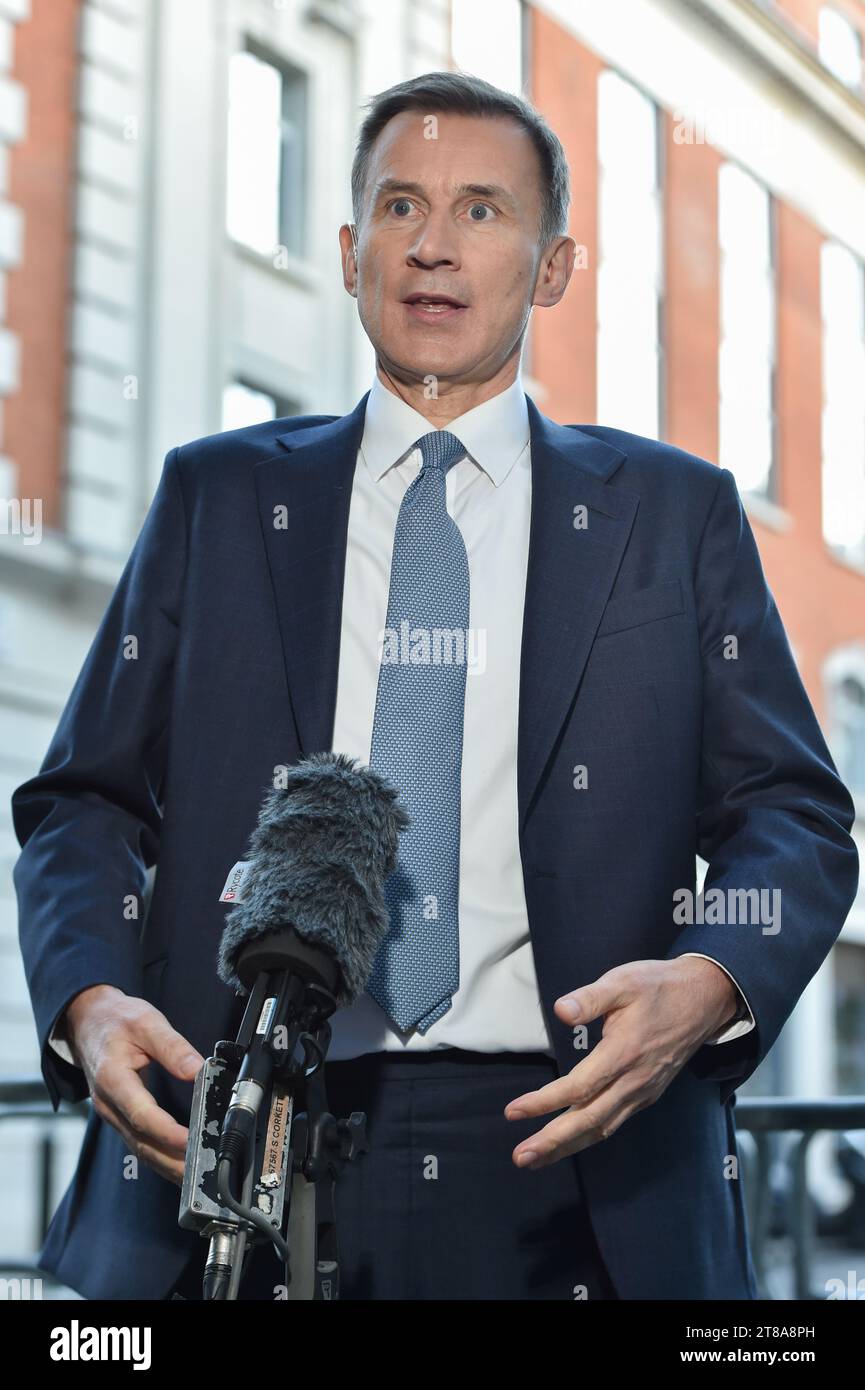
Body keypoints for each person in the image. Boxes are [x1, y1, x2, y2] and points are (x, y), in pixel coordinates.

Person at [12, 71, 858, 1301]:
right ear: (353, 253)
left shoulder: (674, 517)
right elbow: (81, 800)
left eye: (481, 210)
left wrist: (710, 983)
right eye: (401, 206)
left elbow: (795, 819)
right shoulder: (218, 496)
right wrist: (87, 998)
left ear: (553, 266)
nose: (433, 245)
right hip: (248, 1143)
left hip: (582, 1159)